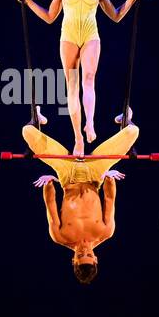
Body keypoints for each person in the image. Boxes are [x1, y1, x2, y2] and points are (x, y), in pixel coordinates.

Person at [11, 0, 152, 157]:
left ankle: (90, 124)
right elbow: (50, 16)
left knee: (88, 79)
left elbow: (115, 15)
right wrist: (28, 0)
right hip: (68, 37)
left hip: (90, 36)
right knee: (73, 86)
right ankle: (78, 137)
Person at [21, 109, 139, 284]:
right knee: (133, 132)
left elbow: (50, 202)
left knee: (27, 132)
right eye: (89, 254)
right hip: (94, 174)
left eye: (80, 255)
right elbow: (109, 198)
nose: (84, 249)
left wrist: (49, 182)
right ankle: (126, 120)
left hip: (67, 175)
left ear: (73, 260)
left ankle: (37, 121)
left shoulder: (60, 236)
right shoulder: (106, 232)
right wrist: (109, 177)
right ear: (96, 258)